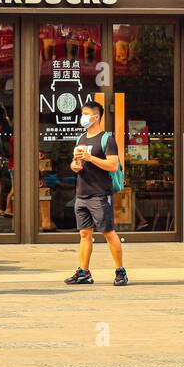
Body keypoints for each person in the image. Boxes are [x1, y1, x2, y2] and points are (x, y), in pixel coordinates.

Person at [64, 100, 128, 286]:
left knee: (108, 232)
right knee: (85, 233)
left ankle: (120, 271)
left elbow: (113, 164)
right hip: (82, 192)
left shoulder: (107, 139)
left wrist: (91, 158)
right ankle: (84, 272)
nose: (82, 117)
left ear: (96, 117)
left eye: (85, 114)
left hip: (100, 193)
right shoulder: (81, 138)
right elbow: (76, 163)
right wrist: (75, 166)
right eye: (82, 114)